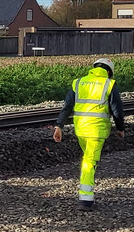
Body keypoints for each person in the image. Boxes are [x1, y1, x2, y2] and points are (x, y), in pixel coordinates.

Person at [52, 58, 125, 211]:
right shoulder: (109, 84)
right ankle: (86, 199)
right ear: (109, 71)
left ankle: (86, 192)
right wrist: (120, 128)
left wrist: (59, 126)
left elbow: (67, 106)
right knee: (89, 162)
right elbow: (117, 110)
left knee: (88, 159)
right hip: (96, 130)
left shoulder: (79, 82)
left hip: (81, 130)